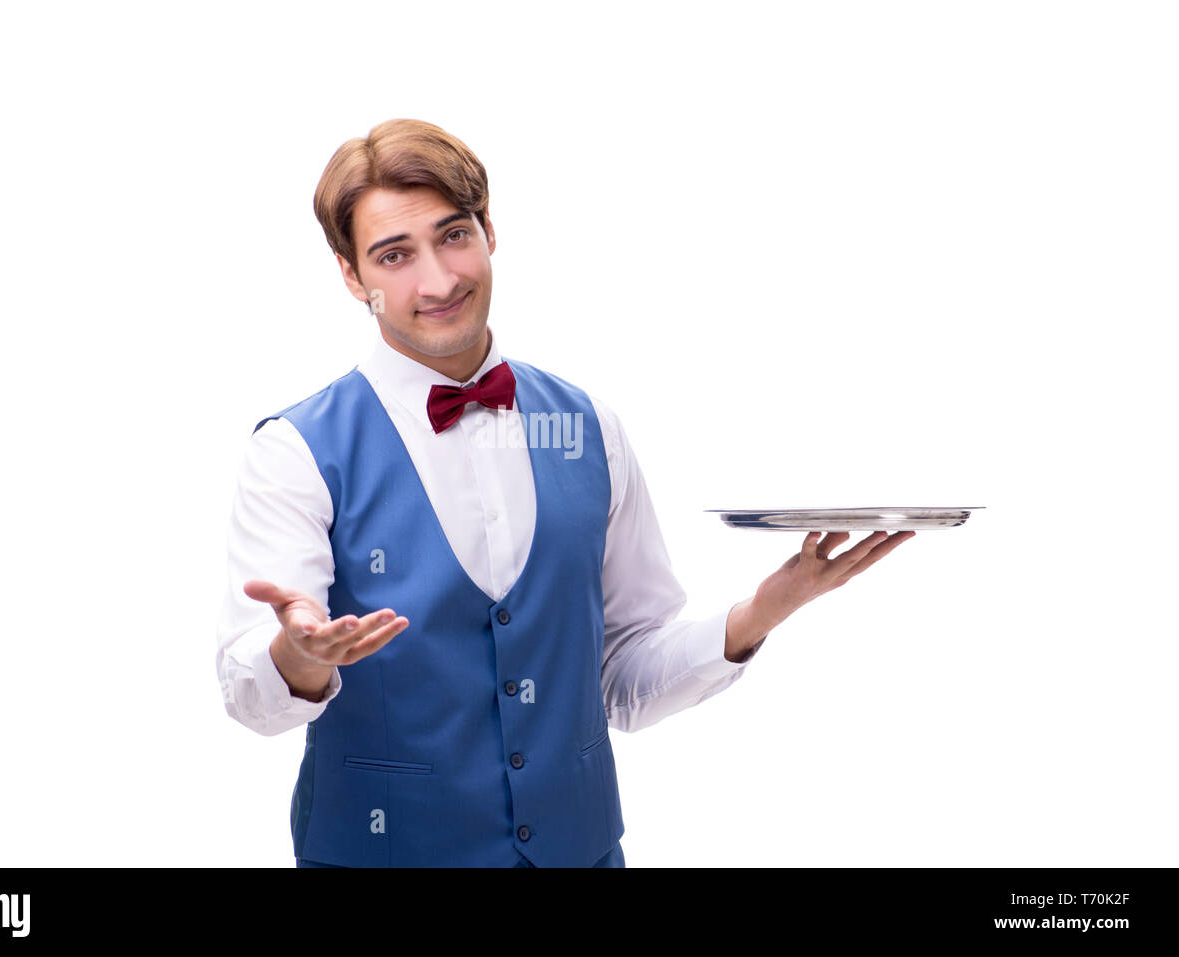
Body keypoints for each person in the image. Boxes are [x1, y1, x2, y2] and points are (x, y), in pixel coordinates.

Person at [215, 118, 914, 868]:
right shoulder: (295, 451)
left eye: (454, 236)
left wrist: (763, 611)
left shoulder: (589, 426)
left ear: (489, 230)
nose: (440, 280)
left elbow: (627, 674)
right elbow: (250, 695)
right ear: (353, 277)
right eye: (395, 255)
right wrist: (301, 655)